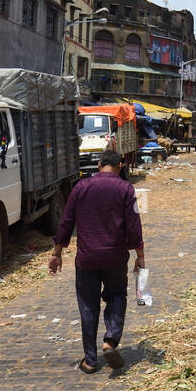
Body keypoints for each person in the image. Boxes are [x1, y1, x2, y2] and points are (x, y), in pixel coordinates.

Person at [48, 149, 145, 374]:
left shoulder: (80, 187)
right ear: (119, 166)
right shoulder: (126, 189)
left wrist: (57, 253)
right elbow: (134, 225)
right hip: (115, 257)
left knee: (88, 305)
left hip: (87, 258)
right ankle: (110, 341)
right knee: (117, 296)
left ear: (99, 164)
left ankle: (90, 361)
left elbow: (66, 222)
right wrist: (140, 256)